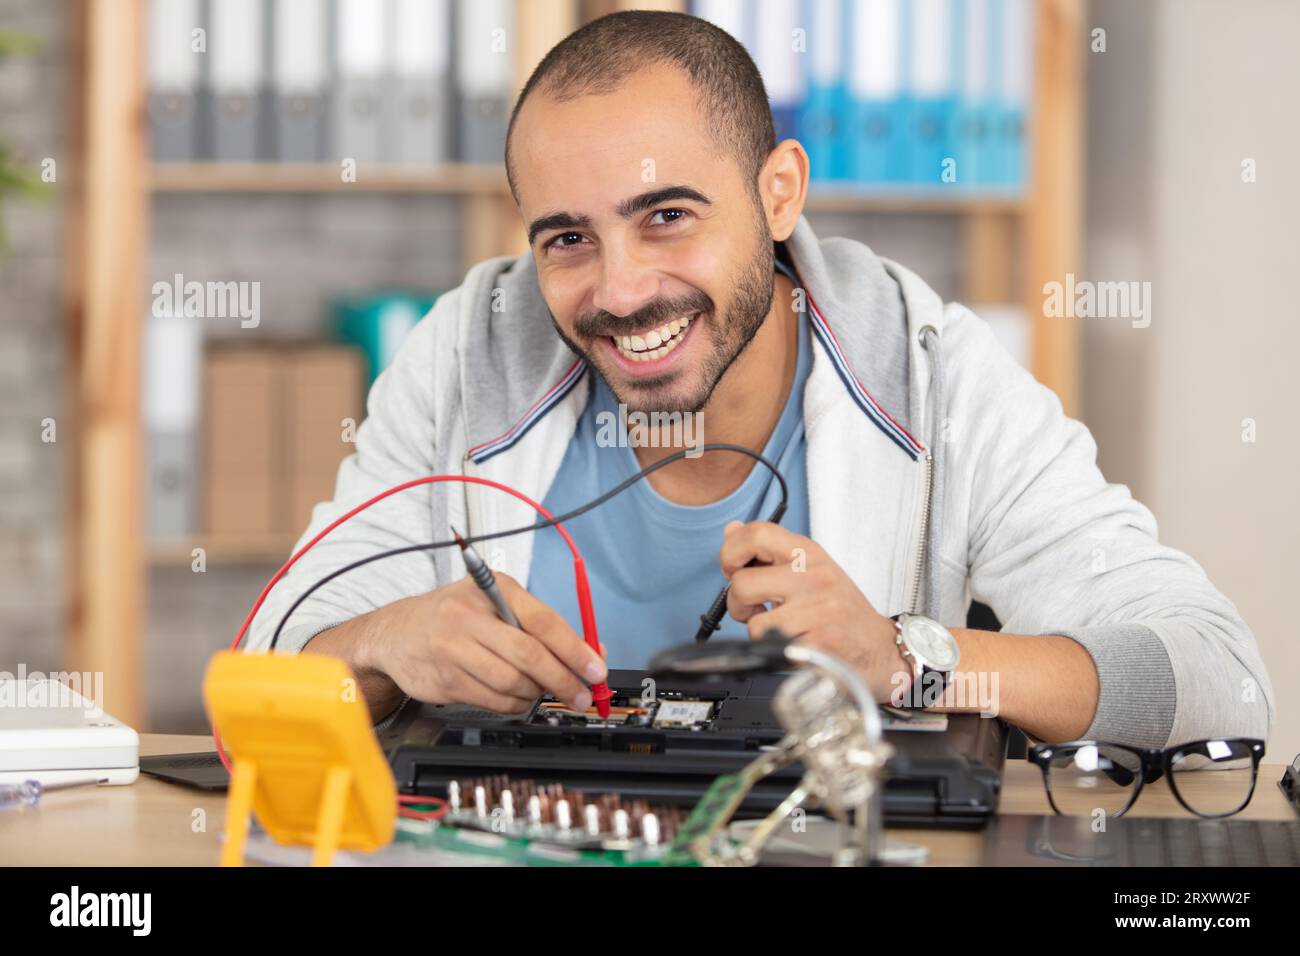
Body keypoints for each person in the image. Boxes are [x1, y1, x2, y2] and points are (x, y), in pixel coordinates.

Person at [250, 11, 1272, 748]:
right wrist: (387, 643)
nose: (619, 290)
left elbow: (1217, 679)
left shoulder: (930, 369)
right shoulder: (466, 346)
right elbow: (265, 673)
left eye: (667, 216)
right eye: (568, 237)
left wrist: (907, 659)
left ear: (777, 192)